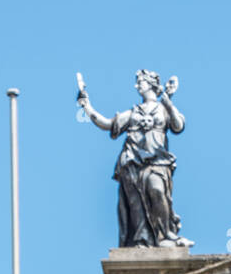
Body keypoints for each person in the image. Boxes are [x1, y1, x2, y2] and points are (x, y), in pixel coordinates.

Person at [78, 69, 193, 248]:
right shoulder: (132, 113)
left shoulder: (163, 108)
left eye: (140, 81)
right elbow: (107, 124)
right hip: (132, 162)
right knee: (136, 205)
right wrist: (86, 106)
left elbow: (178, 126)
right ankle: (142, 240)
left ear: (151, 84)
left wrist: (169, 104)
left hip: (157, 161)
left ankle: (165, 235)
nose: (137, 85)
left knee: (157, 190)